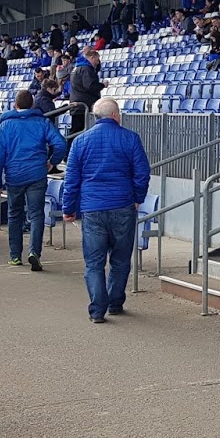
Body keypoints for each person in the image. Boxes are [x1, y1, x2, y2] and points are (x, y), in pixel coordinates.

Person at [61, 98, 152, 323]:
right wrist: (137, 198)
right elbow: (142, 173)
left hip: (92, 209)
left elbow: (71, 180)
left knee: (94, 262)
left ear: (96, 117)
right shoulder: (131, 139)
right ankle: (115, 302)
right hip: (122, 206)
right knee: (120, 260)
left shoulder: (80, 142)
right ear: (115, 115)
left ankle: (97, 310)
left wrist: (68, 208)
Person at [0, 89, 70, 271]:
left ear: (15, 105)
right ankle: (35, 252)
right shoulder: (41, 122)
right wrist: (52, 162)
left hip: (14, 176)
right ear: (32, 104)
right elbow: (60, 143)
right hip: (37, 174)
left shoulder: (5, 125)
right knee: (36, 215)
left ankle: (15, 255)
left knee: (14, 215)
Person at [70, 48, 103, 137]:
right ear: (92, 57)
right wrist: (102, 85)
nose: (98, 62)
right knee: (79, 133)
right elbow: (90, 86)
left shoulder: (77, 68)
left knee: (75, 133)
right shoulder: (86, 69)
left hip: (78, 105)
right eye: (97, 60)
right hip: (84, 106)